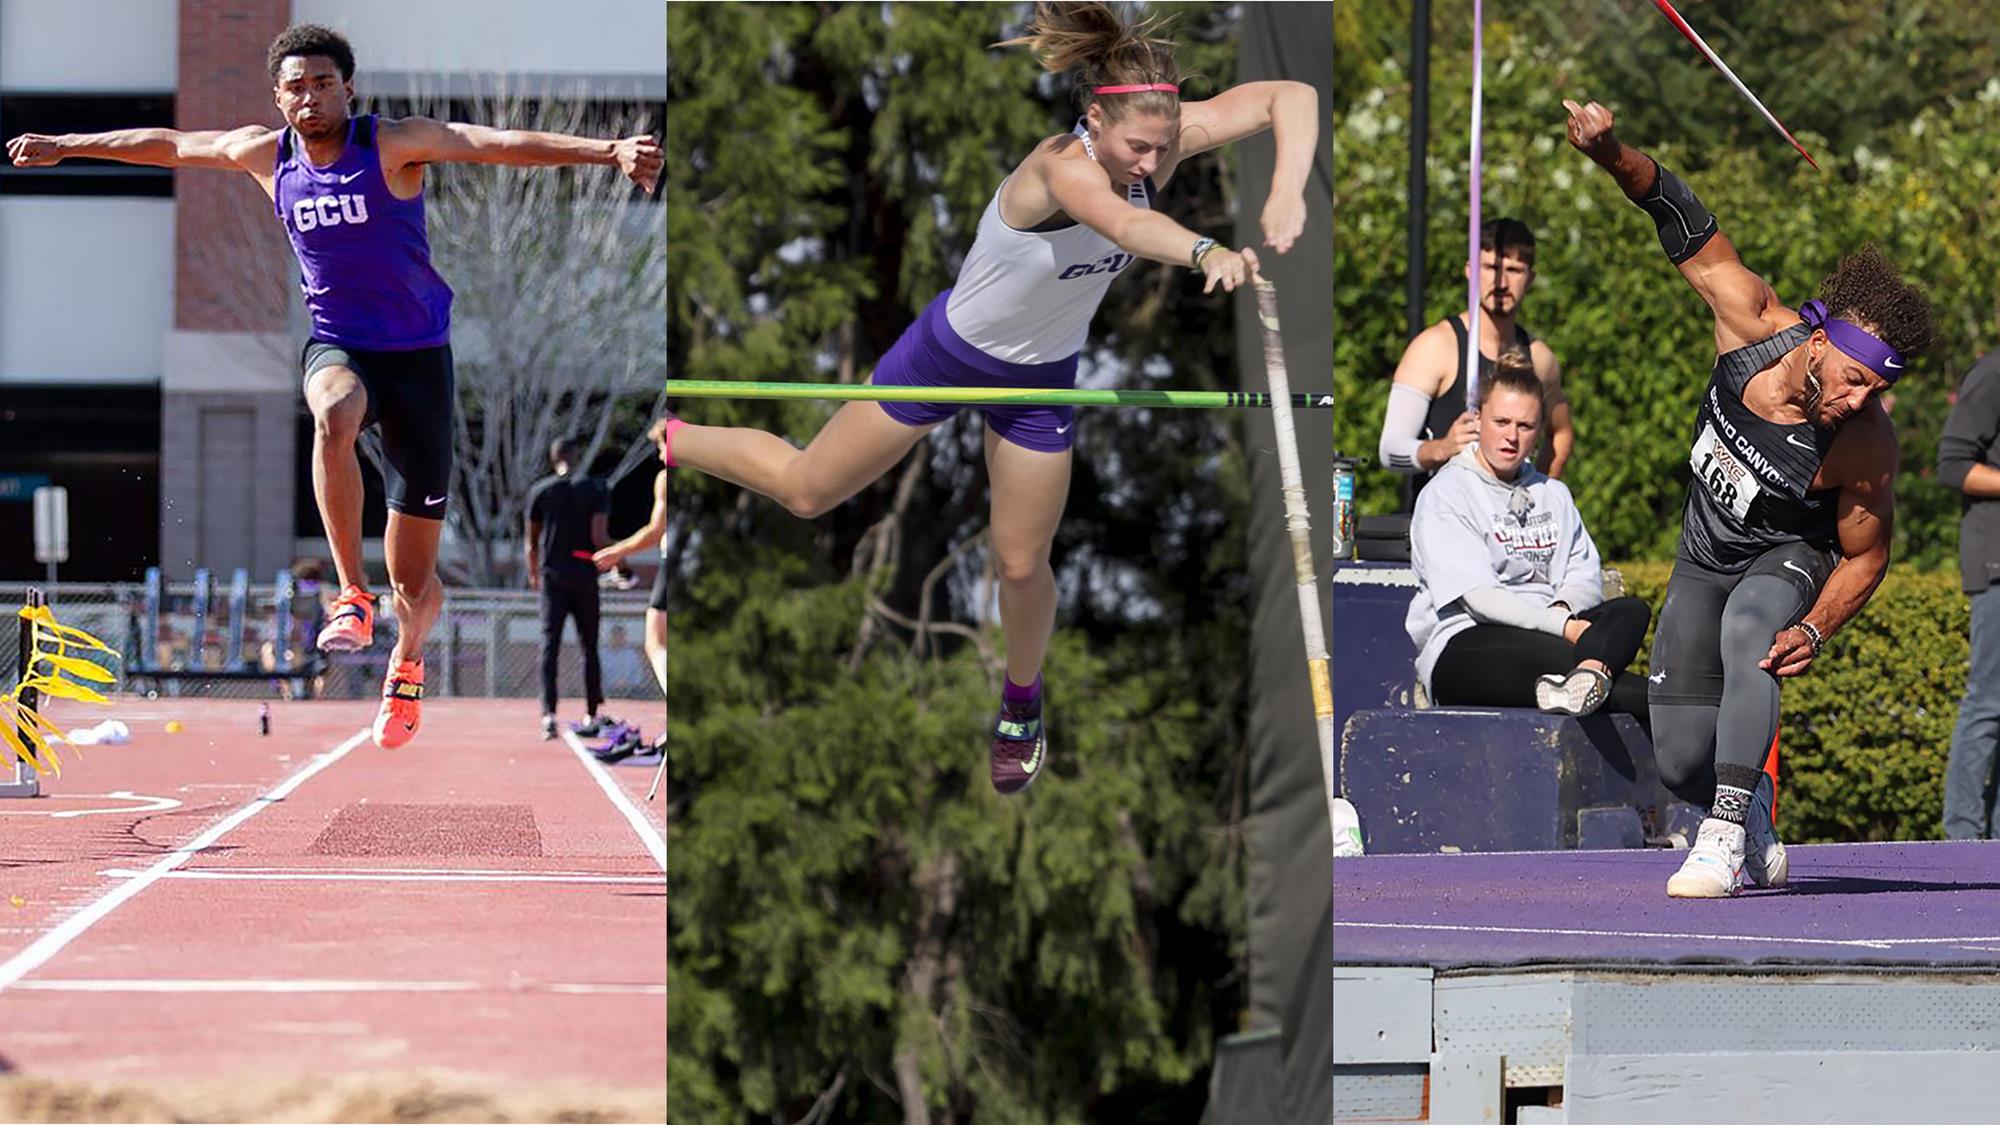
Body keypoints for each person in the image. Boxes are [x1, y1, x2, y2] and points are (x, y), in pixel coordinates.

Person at [658, 1, 1317, 794]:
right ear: (1094, 122)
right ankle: (671, 437)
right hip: (948, 354)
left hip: (1041, 379)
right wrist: (1201, 246)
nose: (1149, 162)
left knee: (1019, 559)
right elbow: (1121, 225)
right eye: (1137, 146)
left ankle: (1020, 701)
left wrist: (1286, 190)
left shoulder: (1161, 142)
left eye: (1164, 145)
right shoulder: (1060, 169)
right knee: (806, 490)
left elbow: (1293, 97)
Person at [7, 24, 661, 749]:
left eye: (323, 82)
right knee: (334, 411)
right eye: (295, 85)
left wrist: (609, 151)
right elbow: (168, 143)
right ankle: (351, 593)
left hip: (418, 362)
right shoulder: (265, 154)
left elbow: (496, 143)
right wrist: (67, 143)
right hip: (340, 345)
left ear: (348, 88)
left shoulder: (391, 143)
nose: (309, 96)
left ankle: (406, 664)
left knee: (416, 584)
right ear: (278, 96)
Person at [1565, 98, 1936, 897]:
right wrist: (1609, 151)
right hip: (1704, 554)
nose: (1857, 399)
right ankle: (1748, 807)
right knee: (1677, 756)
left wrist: (1817, 626)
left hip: (1787, 556)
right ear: (1817, 343)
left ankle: (1724, 833)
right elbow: (1681, 217)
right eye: (1853, 378)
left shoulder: (1865, 443)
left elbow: (1868, 553)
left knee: (1751, 624)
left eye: (1875, 389)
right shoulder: (1749, 324)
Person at [1407, 349, 1651, 723]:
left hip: (1553, 637)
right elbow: (1479, 599)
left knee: (1631, 610)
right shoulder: (1447, 491)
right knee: (1643, 695)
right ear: (1478, 419)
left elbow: (1582, 574)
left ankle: (1585, 679)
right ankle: (1612, 685)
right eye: (1501, 421)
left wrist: (1562, 611)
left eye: (1524, 426)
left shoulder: (1553, 494)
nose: (1511, 437)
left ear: (1539, 431)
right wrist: (1563, 627)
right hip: (1470, 642)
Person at [1379, 218, 1574, 491]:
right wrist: (1442, 448)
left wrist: (1541, 493)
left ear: (1530, 278)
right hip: (1442, 524)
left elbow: (1560, 432)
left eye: (1514, 270)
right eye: (1491, 268)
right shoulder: (1435, 347)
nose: (1501, 282)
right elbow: (1389, 452)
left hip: (1507, 530)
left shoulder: (1539, 358)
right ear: (1470, 271)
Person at [1936, 350, 2000, 839]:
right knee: (1989, 703)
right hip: (1996, 565)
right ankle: (1962, 837)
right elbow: (1952, 466)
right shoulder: (1993, 373)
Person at [594, 416, 672, 758]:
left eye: (661, 446)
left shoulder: (667, 479)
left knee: (655, 640)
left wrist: (618, 551)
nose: (659, 455)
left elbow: (656, 531)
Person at [525, 437, 612, 740]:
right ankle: (593, 712)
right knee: (590, 646)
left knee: (550, 645)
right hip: (585, 575)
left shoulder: (540, 491)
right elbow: (599, 537)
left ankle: (549, 714)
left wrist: (534, 574)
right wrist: (618, 563)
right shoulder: (595, 489)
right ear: (575, 457)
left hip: (553, 576)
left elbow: (531, 542)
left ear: (553, 458)